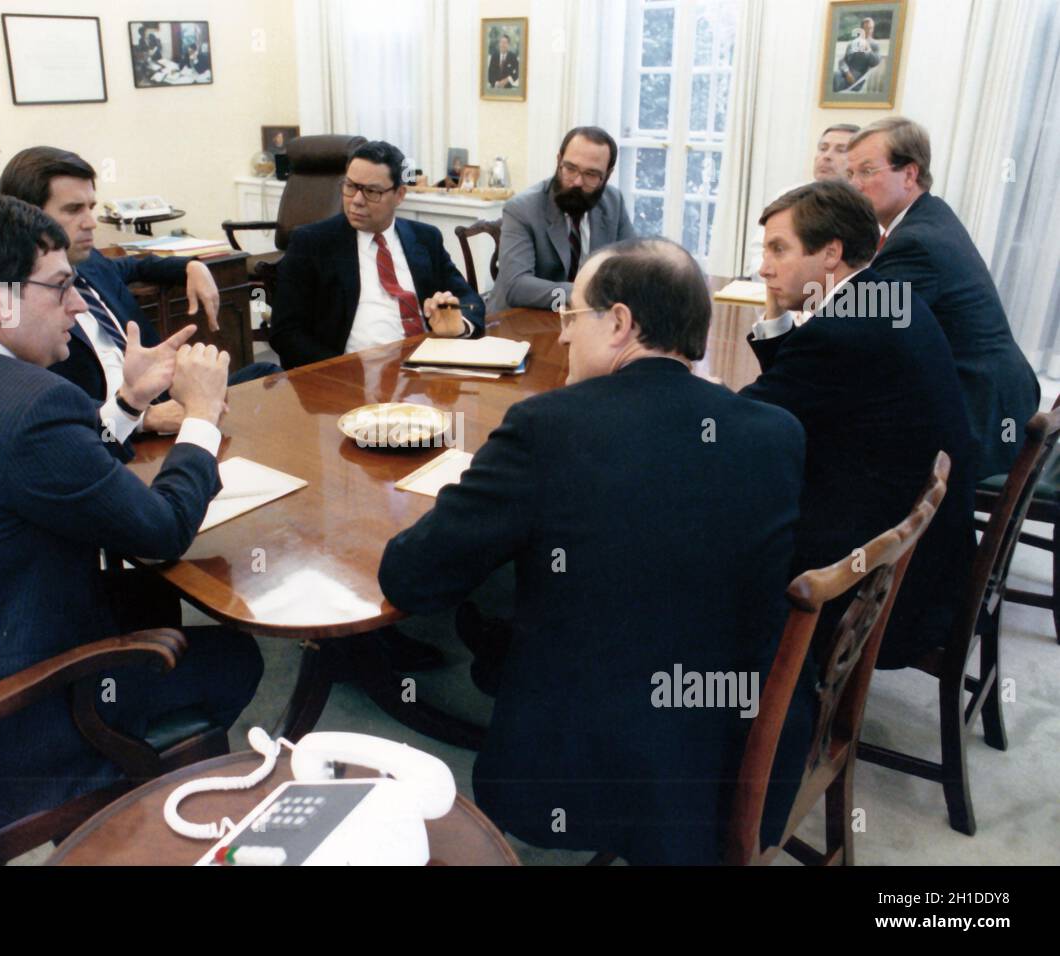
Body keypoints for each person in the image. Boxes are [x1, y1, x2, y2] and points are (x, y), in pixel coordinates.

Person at [380, 238, 814, 864]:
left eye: (571, 317)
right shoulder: (777, 430)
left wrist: (465, 494)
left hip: (595, 762)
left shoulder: (548, 426)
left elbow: (412, 578)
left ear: (619, 323)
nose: (561, 338)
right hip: (747, 742)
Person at [0, 196, 263, 837]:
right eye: (60, 286)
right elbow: (160, 533)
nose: (77, 304)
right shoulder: (28, 404)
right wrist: (203, 417)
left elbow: (53, 473)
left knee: (154, 602)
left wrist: (127, 400)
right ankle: (146, 830)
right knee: (238, 656)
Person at [743, 180, 976, 668]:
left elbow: (754, 424)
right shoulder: (882, 296)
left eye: (777, 250)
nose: (763, 267)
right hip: (926, 552)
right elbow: (797, 398)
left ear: (831, 252)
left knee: (709, 531)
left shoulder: (842, 332)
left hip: (883, 583)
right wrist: (776, 311)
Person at [0, 147, 278, 449]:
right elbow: (46, 409)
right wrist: (145, 417)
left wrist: (191, 265)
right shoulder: (16, 308)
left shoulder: (89, 262)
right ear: (28, 217)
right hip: (112, 435)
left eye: (91, 207)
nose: (90, 221)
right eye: (73, 210)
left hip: (166, 397)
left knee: (268, 376)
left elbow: (135, 264)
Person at [846, 117, 1040, 478]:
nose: (854, 185)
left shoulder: (916, 241)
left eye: (867, 171)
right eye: (850, 174)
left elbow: (864, 330)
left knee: (848, 444)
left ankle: (902, 534)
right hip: (1001, 398)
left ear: (909, 174)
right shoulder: (930, 216)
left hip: (980, 415)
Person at [268, 139, 485, 370]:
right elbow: (285, 333)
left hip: (427, 372)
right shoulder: (312, 242)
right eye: (350, 186)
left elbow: (471, 301)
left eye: (371, 191)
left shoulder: (426, 238)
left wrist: (458, 325)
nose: (357, 201)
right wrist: (343, 371)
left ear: (399, 195)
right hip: (351, 379)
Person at [489, 126, 635, 312]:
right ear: (559, 161)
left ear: (608, 174)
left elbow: (632, 268)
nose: (577, 182)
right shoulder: (522, 209)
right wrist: (583, 295)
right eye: (570, 168)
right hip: (519, 322)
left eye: (590, 174)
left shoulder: (613, 202)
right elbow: (517, 287)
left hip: (585, 319)